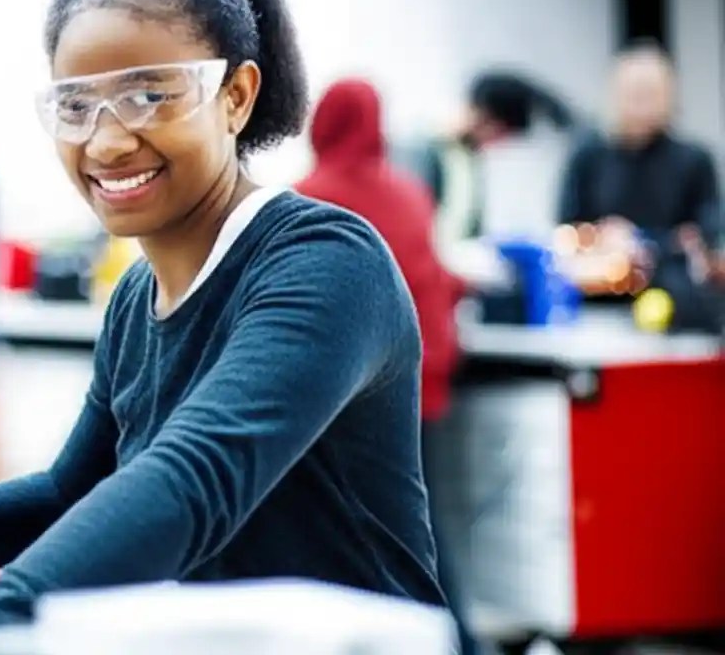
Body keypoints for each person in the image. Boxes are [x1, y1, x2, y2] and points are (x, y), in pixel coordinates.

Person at [0, 0, 444, 649]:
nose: (104, 143)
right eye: (76, 106)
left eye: (148, 96)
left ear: (235, 97)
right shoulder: (137, 297)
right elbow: (76, 492)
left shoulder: (323, 264)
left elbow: (191, 482)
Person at [296, 78, 474, 654]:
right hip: (421, 390)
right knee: (421, 531)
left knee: (343, 535)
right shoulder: (413, 194)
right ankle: (457, 640)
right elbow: (438, 283)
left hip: (342, 403)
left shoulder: (306, 199)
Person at [558, 43, 722, 255]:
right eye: (633, 93)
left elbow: (707, 230)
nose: (641, 105)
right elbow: (566, 225)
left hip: (670, 275)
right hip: (600, 274)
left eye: (650, 94)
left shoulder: (694, 159)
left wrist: (645, 240)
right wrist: (601, 236)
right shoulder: (588, 157)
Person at [399, 71, 577, 249]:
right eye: (500, 132)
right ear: (483, 117)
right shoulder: (425, 154)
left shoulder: (468, 158)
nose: (495, 143)